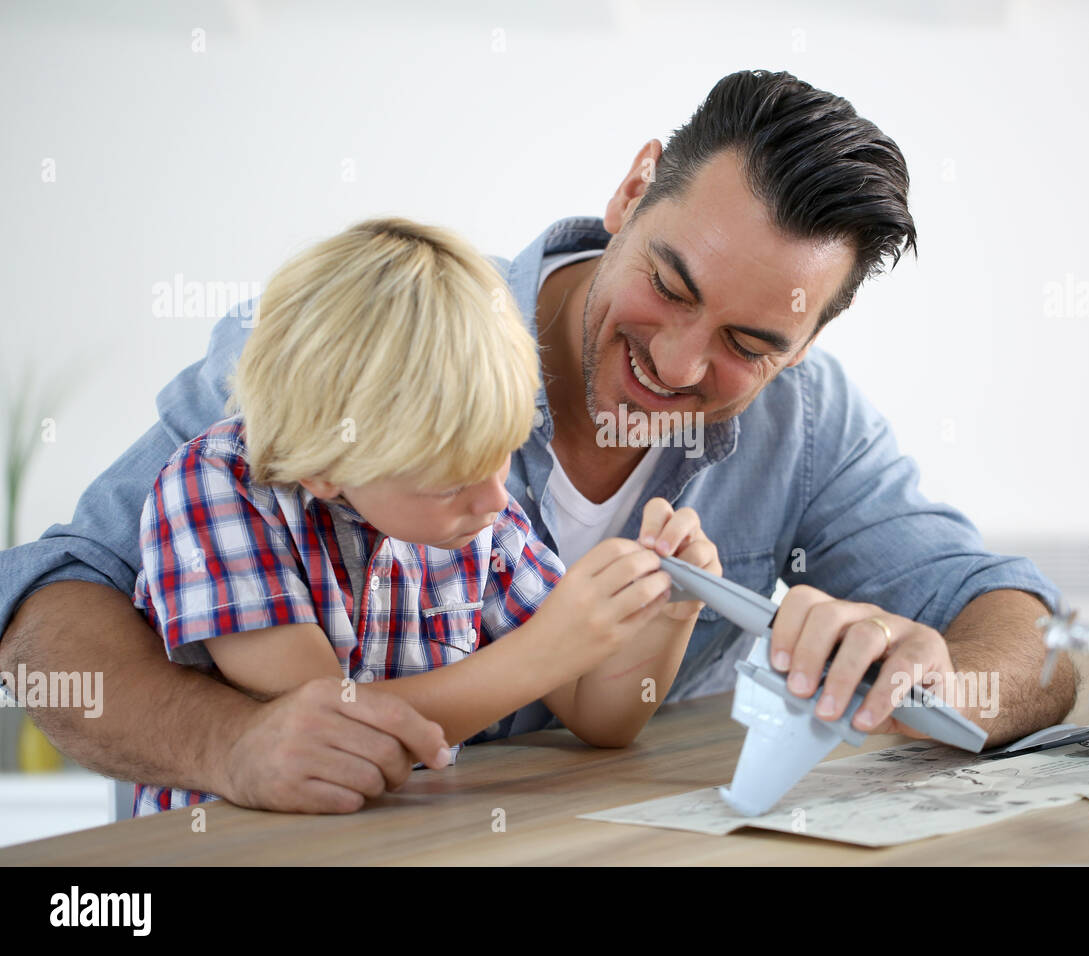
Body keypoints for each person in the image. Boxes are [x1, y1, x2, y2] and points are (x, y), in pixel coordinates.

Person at [0, 69, 1077, 814]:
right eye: (669, 282)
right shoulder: (350, 348)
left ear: (805, 345)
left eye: (751, 342)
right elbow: (47, 610)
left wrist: (945, 684)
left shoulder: (808, 424)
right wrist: (223, 745)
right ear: (629, 189)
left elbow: (1027, 630)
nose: (680, 363)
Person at [125, 217, 717, 814]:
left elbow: (601, 717)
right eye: (454, 479)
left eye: (502, 456)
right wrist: (547, 650)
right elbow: (331, 729)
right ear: (326, 464)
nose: (494, 499)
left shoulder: (481, 519)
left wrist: (667, 613)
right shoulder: (218, 487)